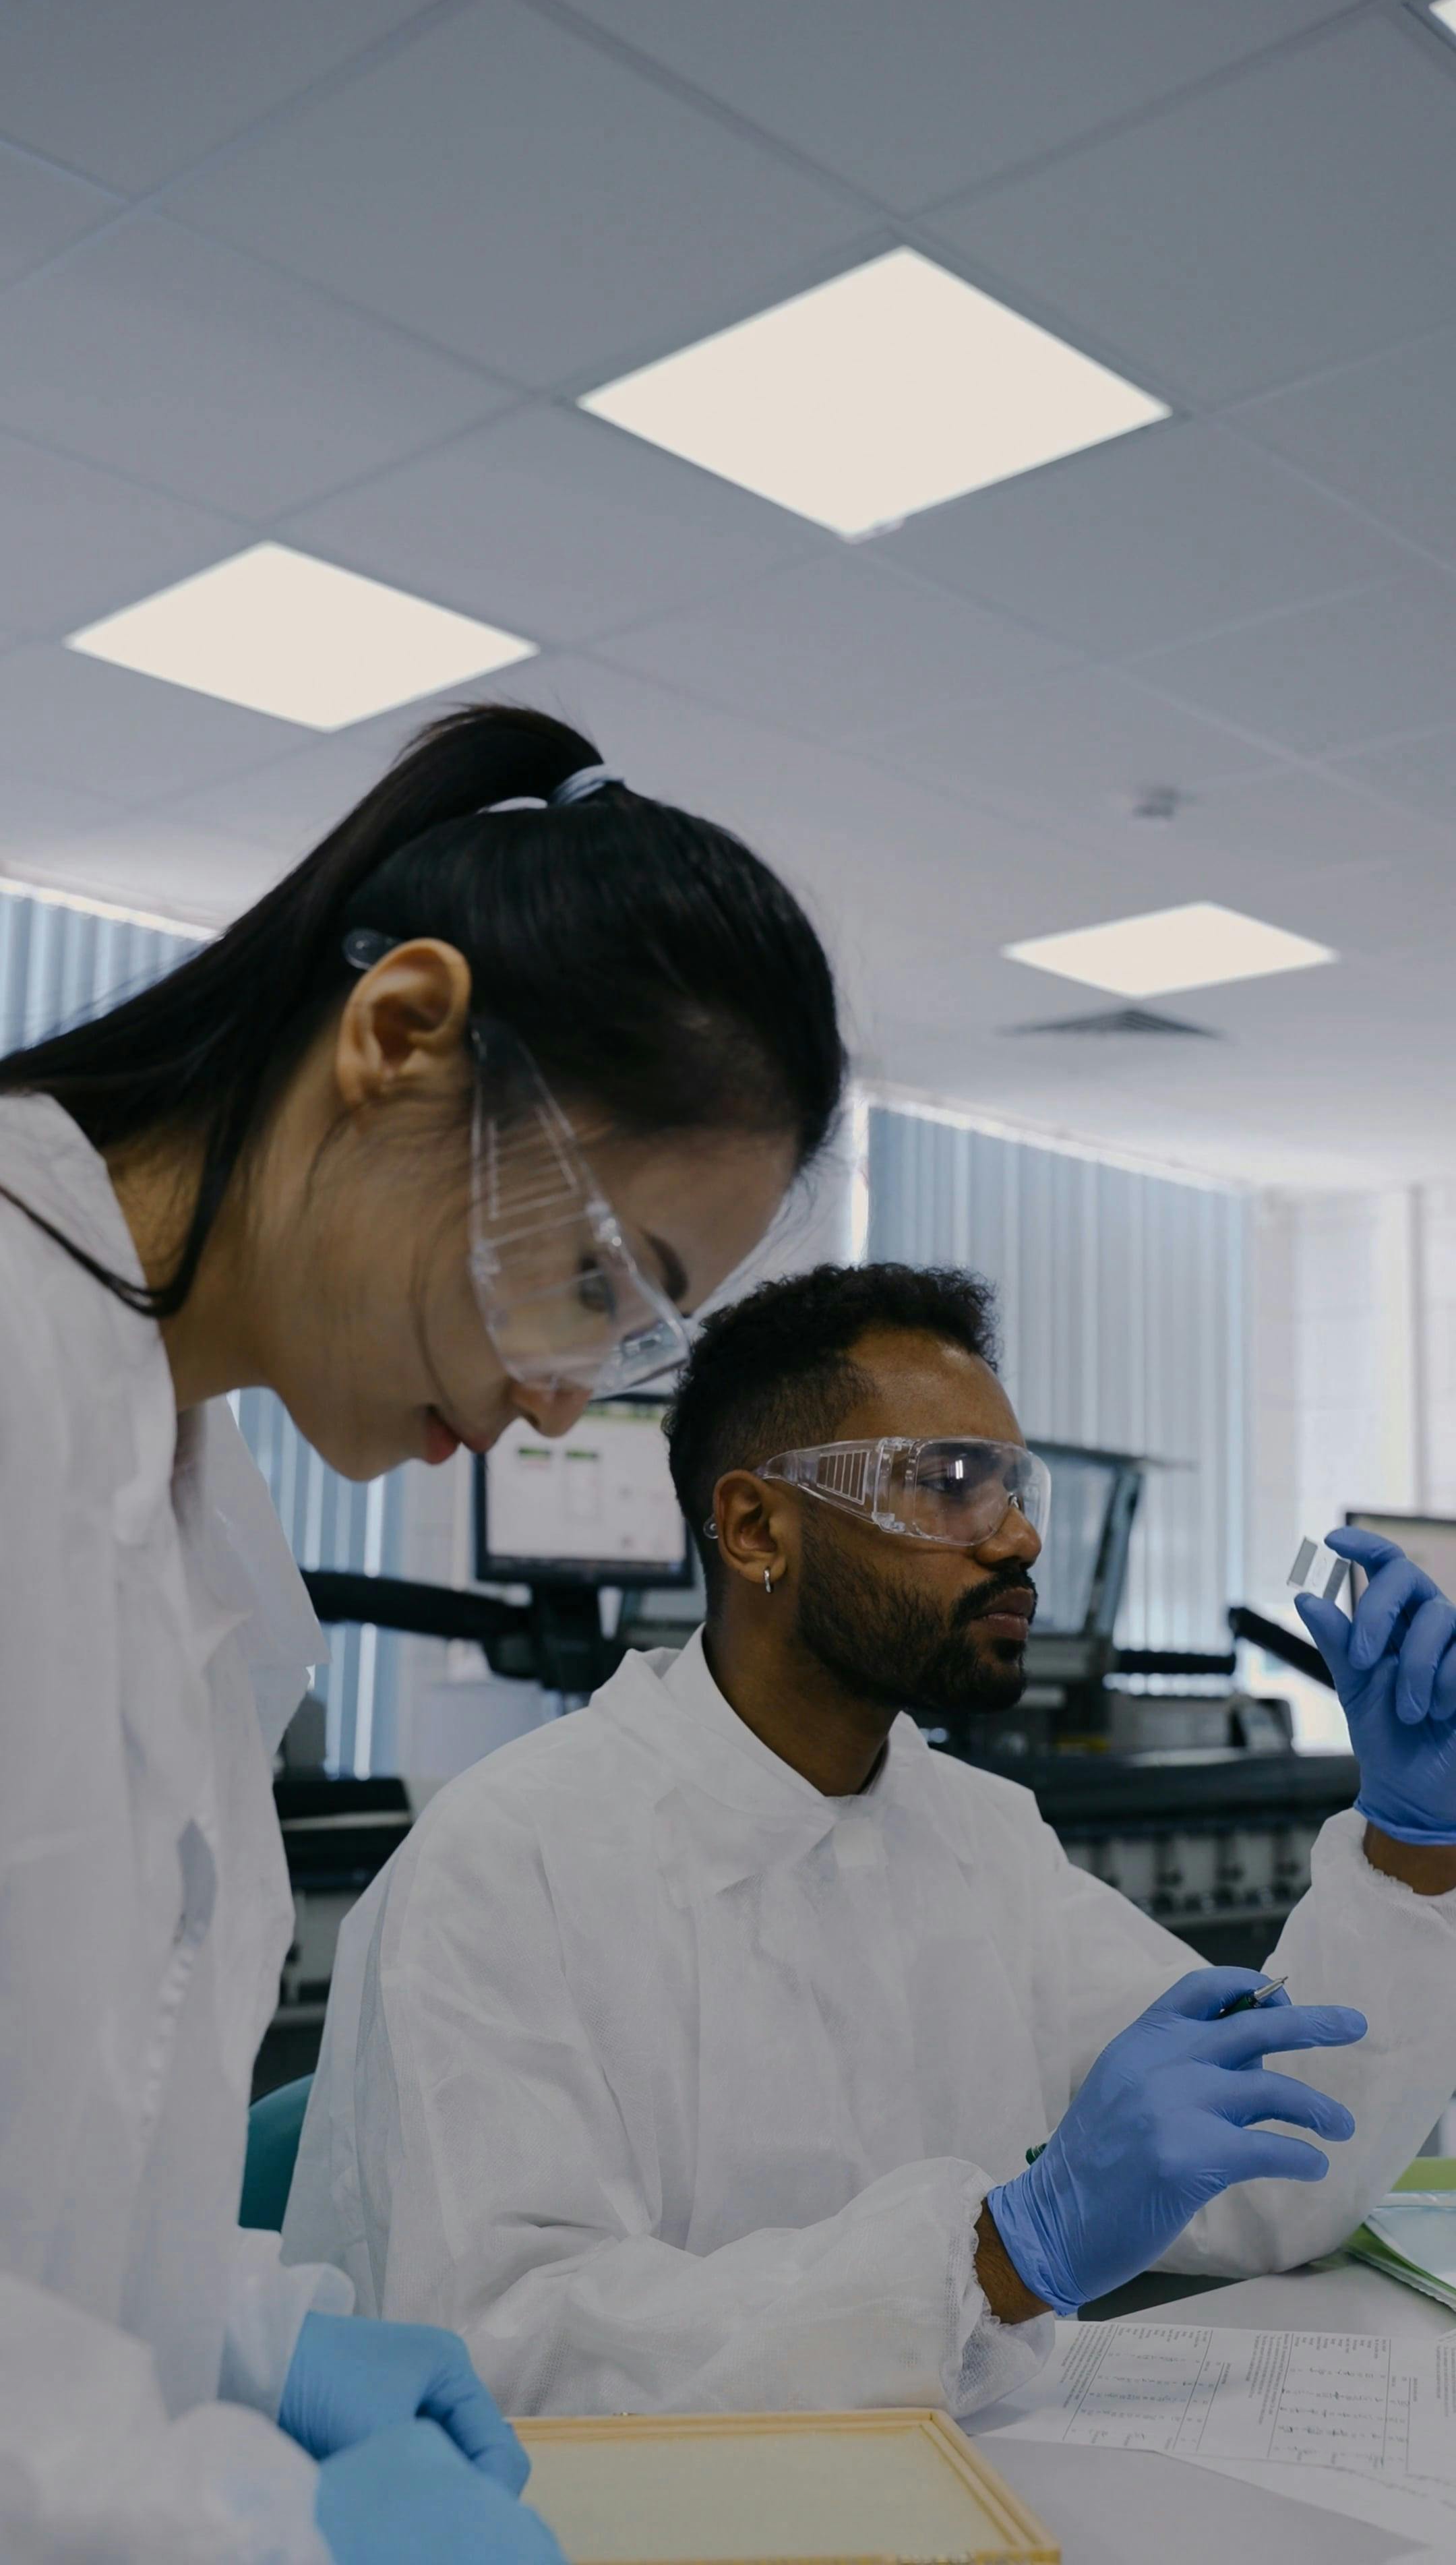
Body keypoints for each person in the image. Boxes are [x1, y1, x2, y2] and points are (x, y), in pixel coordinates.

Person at [0, 704, 845, 2562]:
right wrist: (268, 2529)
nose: (562, 1403)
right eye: (593, 1278)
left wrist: (244, 2335)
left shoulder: (194, 1521)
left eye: (632, 1343)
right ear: (399, 1038)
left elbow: (47, 2193)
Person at [284, 1262, 1456, 2425]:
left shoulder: (981, 1839)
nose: (1020, 1538)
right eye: (954, 1483)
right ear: (755, 1528)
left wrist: (1415, 1843)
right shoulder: (507, 1861)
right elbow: (504, 2356)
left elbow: (1277, 2160)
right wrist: (997, 2255)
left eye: (1018, 1486)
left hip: (986, 2501)